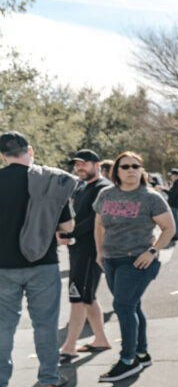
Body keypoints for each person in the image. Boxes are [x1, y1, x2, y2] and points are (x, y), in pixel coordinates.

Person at [0, 131, 76, 387]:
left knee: (3, 326)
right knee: (45, 323)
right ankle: (49, 377)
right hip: (43, 262)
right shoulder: (49, 183)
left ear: (2, 156)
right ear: (29, 150)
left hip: (2, 267)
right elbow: (67, 226)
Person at [93, 151, 174, 383]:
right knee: (132, 307)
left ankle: (128, 361)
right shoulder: (105, 194)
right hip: (111, 259)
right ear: (116, 171)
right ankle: (142, 353)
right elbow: (99, 224)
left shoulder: (150, 197)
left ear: (141, 170)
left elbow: (169, 229)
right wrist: (99, 252)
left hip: (137, 261)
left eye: (135, 166)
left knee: (123, 305)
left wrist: (152, 251)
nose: (131, 170)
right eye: (125, 166)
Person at [58, 149, 113, 362]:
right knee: (87, 297)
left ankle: (69, 346)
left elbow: (94, 221)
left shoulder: (102, 188)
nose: (79, 167)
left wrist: (67, 233)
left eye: (84, 163)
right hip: (78, 250)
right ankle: (100, 338)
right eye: (77, 164)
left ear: (96, 165)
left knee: (77, 297)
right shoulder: (82, 188)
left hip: (91, 251)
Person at [165, 169, 178, 244]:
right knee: (174, 220)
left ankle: (176, 235)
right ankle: (175, 234)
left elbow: (172, 194)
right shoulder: (176, 183)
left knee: (175, 220)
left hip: (175, 204)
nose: (171, 177)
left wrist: (163, 189)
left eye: (172, 175)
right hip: (174, 204)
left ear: (175, 176)